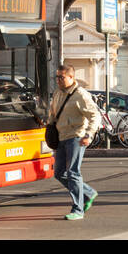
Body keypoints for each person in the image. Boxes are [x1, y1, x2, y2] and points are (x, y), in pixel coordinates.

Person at [50, 65, 101, 221]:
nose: (58, 80)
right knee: (59, 173)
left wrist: (89, 135)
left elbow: (95, 116)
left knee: (73, 172)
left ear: (72, 78)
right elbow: (53, 113)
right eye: (57, 77)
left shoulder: (81, 95)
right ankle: (88, 192)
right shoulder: (58, 93)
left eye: (61, 77)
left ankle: (78, 209)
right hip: (61, 136)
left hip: (76, 137)